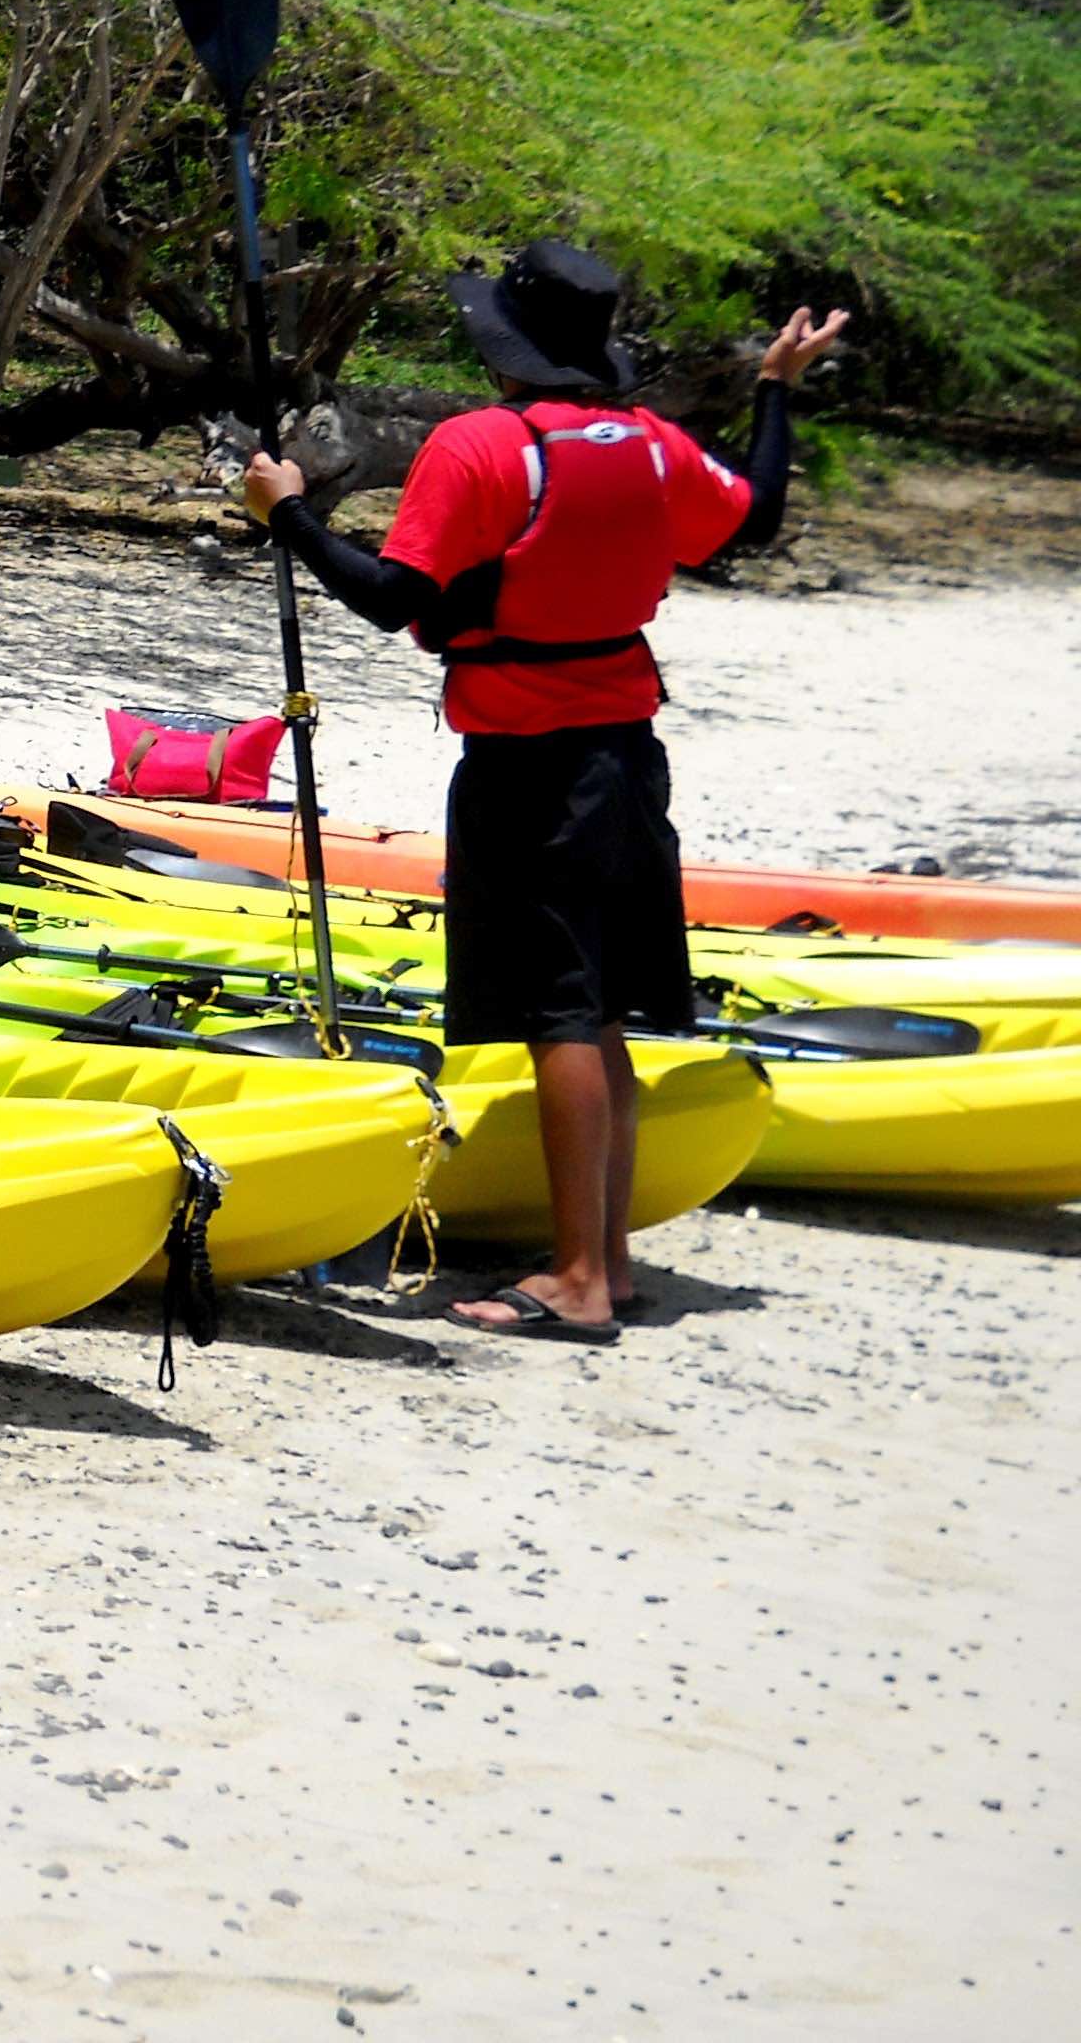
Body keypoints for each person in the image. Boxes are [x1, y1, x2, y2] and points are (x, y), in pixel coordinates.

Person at [240, 239, 844, 1343]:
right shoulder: (652, 443)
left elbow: (390, 598)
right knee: (598, 1011)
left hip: (529, 765)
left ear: (504, 351)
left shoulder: (480, 448)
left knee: (558, 1014)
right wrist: (772, 391)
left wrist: (287, 511)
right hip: (625, 757)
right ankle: (603, 1261)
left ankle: (576, 1282)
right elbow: (752, 515)